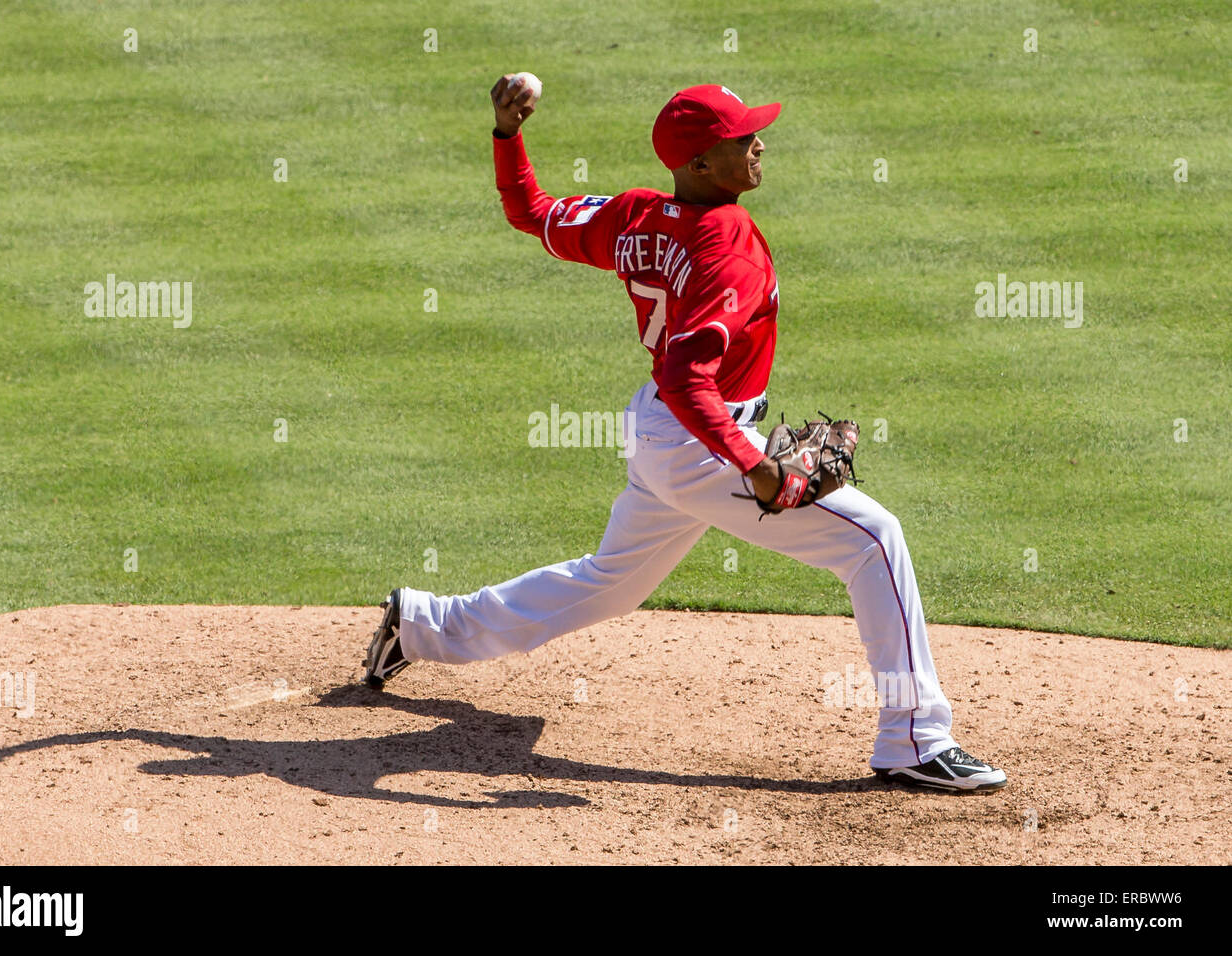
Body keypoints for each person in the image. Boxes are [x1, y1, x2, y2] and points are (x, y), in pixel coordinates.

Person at [363, 76, 1006, 792]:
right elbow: (685, 376)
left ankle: (420, 623)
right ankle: (914, 738)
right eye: (741, 139)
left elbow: (533, 213)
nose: (759, 143)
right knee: (875, 542)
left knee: (610, 585)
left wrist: (508, 137)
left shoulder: (637, 215)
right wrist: (753, 467)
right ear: (701, 164)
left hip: (667, 435)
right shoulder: (724, 244)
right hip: (703, 439)